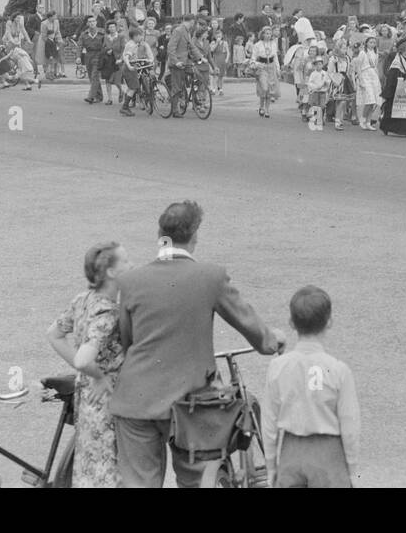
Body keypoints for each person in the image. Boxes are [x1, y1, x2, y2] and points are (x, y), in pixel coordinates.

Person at [110, 201, 285, 488]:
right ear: (195, 236)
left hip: (136, 401)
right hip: (190, 403)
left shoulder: (130, 281)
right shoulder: (210, 276)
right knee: (197, 479)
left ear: (160, 234)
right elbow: (247, 322)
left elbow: (128, 340)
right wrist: (270, 341)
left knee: (138, 483)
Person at [47, 241, 130, 487]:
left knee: (88, 470)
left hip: (87, 401)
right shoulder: (108, 312)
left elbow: (54, 334)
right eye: (125, 261)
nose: (132, 265)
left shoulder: (83, 300)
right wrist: (98, 375)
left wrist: (86, 372)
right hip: (106, 399)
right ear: (111, 272)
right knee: (108, 472)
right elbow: (84, 359)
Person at [262, 286, 360, 488]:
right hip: (328, 456)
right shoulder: (339, 370)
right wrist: (352, 471)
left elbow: (269, 422)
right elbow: (350, 426)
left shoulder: (278, 367)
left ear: (291, 323)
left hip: (291, 452)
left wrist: (271, 466)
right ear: (329, 322)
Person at [379, 35, 406, 138]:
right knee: (393, 109)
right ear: (403, 50)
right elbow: (394, 77)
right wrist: (405, 76)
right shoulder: (396, 63)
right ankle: (388, 127)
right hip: (396, 91)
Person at [354, 35, 383, 130]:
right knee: (369, 100)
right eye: (370, 42)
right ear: (366, 43)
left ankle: (368, 121)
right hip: (365, 76)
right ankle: (362, 119)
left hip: (373, 77)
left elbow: (376, 66)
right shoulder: (362, 53)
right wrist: (360, 79)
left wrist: (378, 79)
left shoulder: (376, 53)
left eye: (374, 42)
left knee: (374, 102)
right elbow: (358, 66)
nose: (372, 44)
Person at [250, 26, 279, 118]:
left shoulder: (273, 44)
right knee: (264, 88)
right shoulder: (257, 45)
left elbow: (275, 57)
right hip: (262, 67)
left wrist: (278, 68)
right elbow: (253, 58)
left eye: (270, 33)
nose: (268, 35)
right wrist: (257, 64)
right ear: (262, 34)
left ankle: (267, 109)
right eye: (266, 33)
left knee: (270, 90)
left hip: (271, 67)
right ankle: (261, 106)